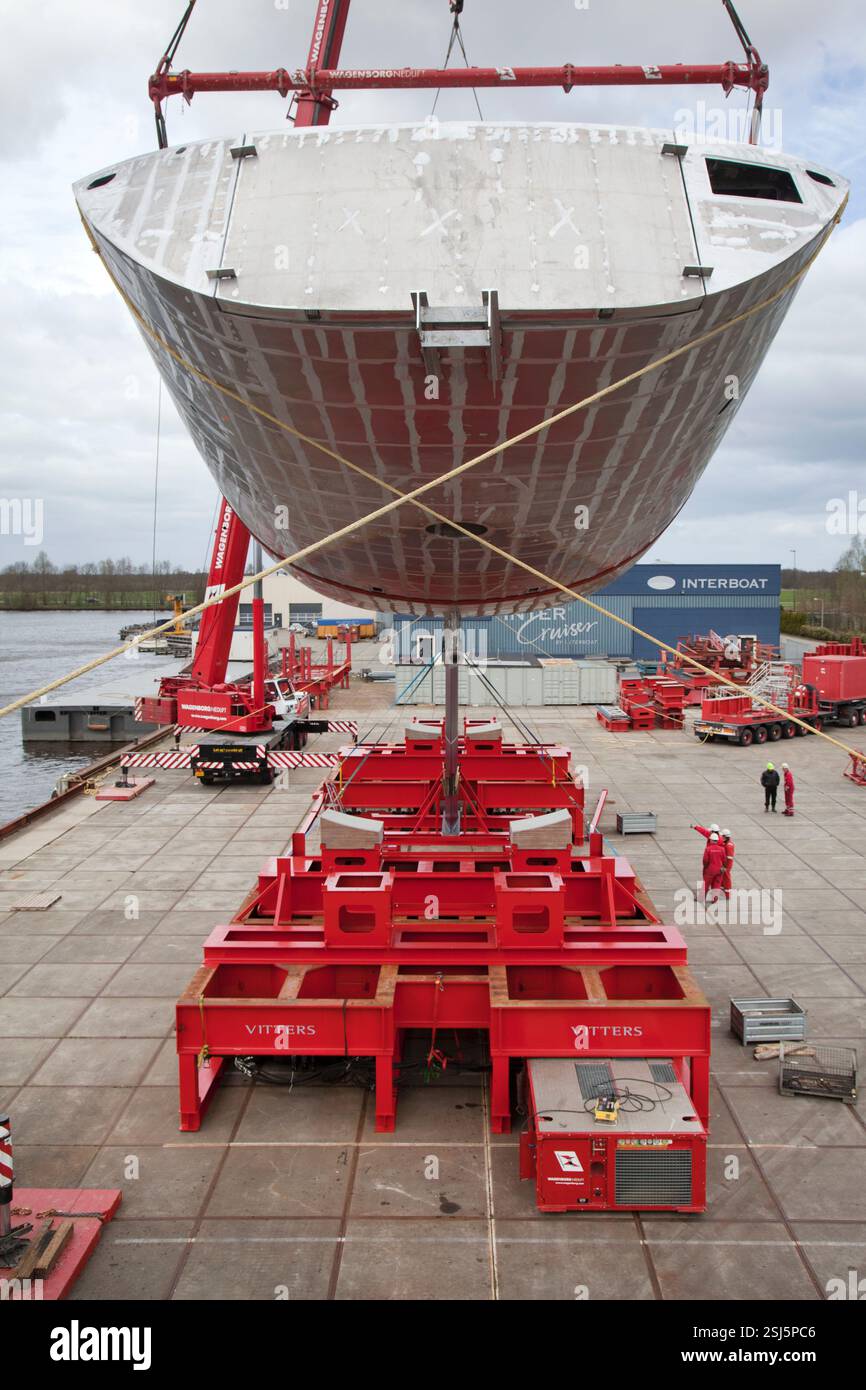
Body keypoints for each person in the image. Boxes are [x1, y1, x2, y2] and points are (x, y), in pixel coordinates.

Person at [702, 831, 726, 902]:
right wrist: (723, 867)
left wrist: (705, 867)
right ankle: (715, 899)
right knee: (717, 884)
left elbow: (705, 860)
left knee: (706, 884)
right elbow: (724, 860)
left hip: (710, 870)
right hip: (719, 870)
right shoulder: (722, 849)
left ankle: (702, 898)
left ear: (711, 840)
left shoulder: (708, 849)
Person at [720, 828, 735, 899]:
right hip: (724, 863)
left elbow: (729, 858)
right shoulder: (726, 843)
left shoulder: (729, 845)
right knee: (723, 877)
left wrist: (725, 867)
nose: (721, 837)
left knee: (726, 878)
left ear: (726, 837)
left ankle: (727, 894)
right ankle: (723, 889)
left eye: (722, 836)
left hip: (727, 864)